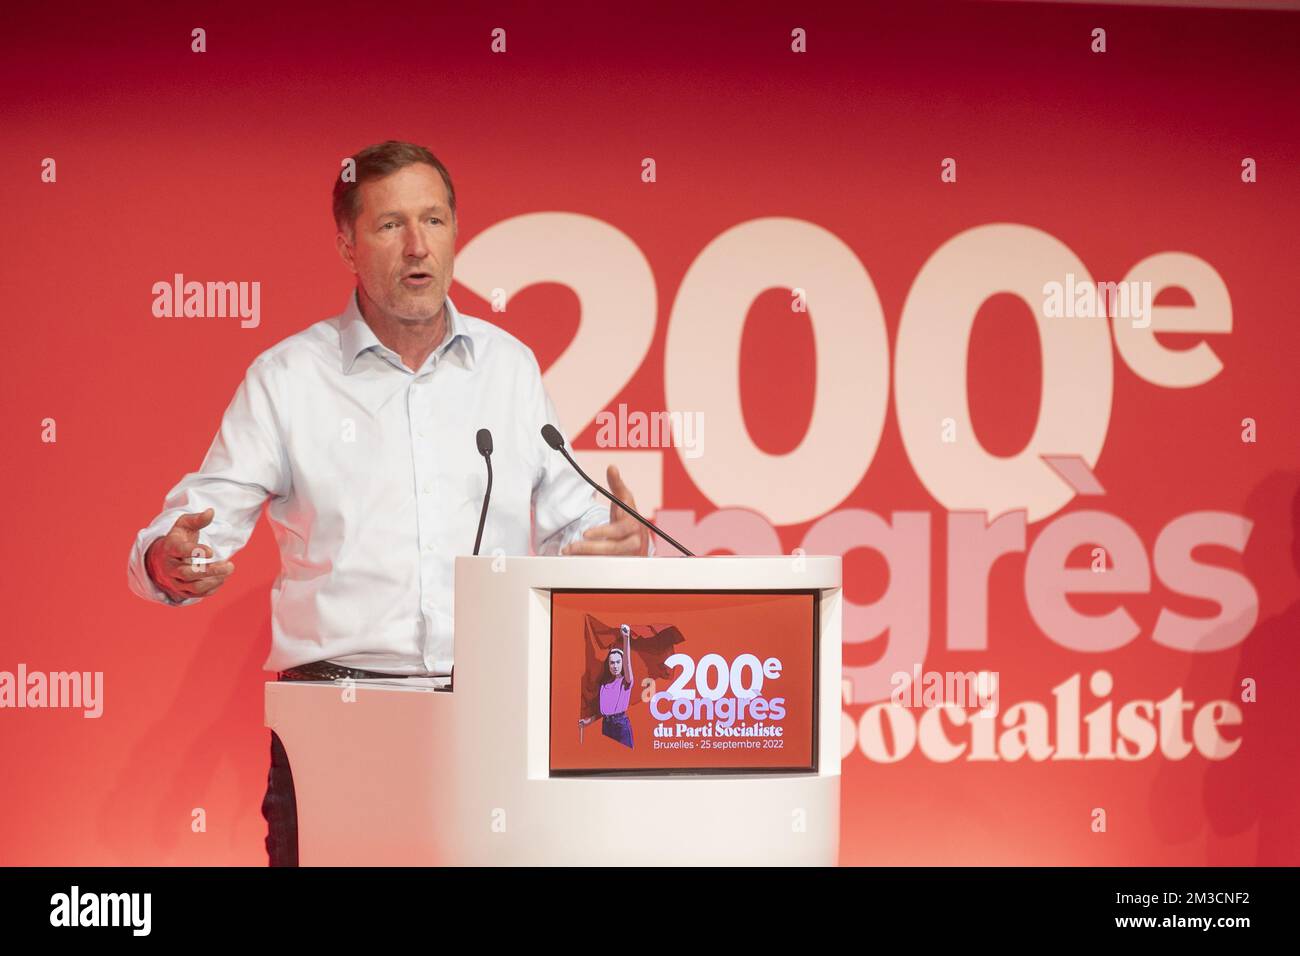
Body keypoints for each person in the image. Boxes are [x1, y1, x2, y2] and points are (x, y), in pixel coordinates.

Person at [126, 140, 651, 866]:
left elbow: (575, 524)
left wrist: (609, 544)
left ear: (455, 234)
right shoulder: (288, 380)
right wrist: (170, 558)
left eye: (434, 221)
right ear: (346, 242)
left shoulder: (509, 368)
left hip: (490, 719)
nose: (417, 245)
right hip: (333, 722)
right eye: (389, 225)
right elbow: (194, 524)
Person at [580, 624, 634, 748]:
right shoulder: (604, 686)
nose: (615, 666)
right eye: (612, 663)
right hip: (606, 725)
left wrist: (626, 639)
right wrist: (588, 721)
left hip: (621, 725)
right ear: (608, 665)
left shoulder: (626, 681)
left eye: (618, 662)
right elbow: (602, 712)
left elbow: (627, 662)